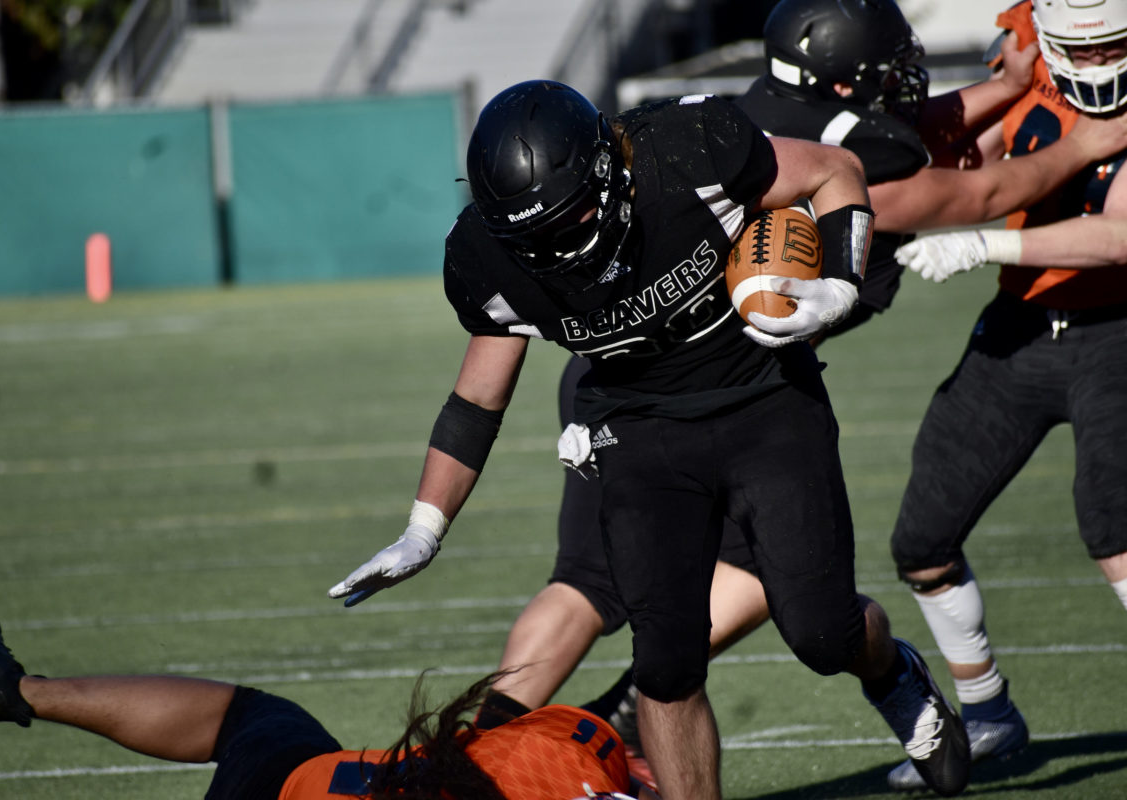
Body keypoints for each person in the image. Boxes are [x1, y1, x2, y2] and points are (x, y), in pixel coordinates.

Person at [477, 0, 1127, 776]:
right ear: (847, 84)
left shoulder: (762, 119)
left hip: (610, 377)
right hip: (705, 390)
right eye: (888, 72)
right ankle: (615, 709)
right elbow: (979, 194)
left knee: (591, 582)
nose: (908, 86)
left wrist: (1005, 92)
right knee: (759, 577)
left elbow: (898, 127)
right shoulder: (838, 162)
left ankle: (472, 754)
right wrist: (1083, 143)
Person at [327, 77, 972, 798]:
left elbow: (835, 170)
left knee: (823, 635)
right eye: (533, 235)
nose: (558, 245)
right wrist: (425, 527)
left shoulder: (687, 151)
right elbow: (478, 397)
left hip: (764, 404)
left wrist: (842, 281)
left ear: (607, 173)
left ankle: (893, 674)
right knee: (665, 666)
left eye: (570, 219)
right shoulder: (488, 256)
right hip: (638, 427)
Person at [883, 0, 1127, 791]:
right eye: (1085, 52)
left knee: (1116, 526)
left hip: (1118, 327)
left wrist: (986, 240)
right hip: (1021, 324)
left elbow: (1119, 235)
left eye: (1115, 48)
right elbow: (973, 160)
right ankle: (987, 711)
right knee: (923, 537)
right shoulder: (1026, 58)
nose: (1100, 65)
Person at [0, 611, 650, 800]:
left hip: (298, 781)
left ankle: (24, 691)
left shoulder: (570, 745)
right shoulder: (586, 756)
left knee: (253, 718)